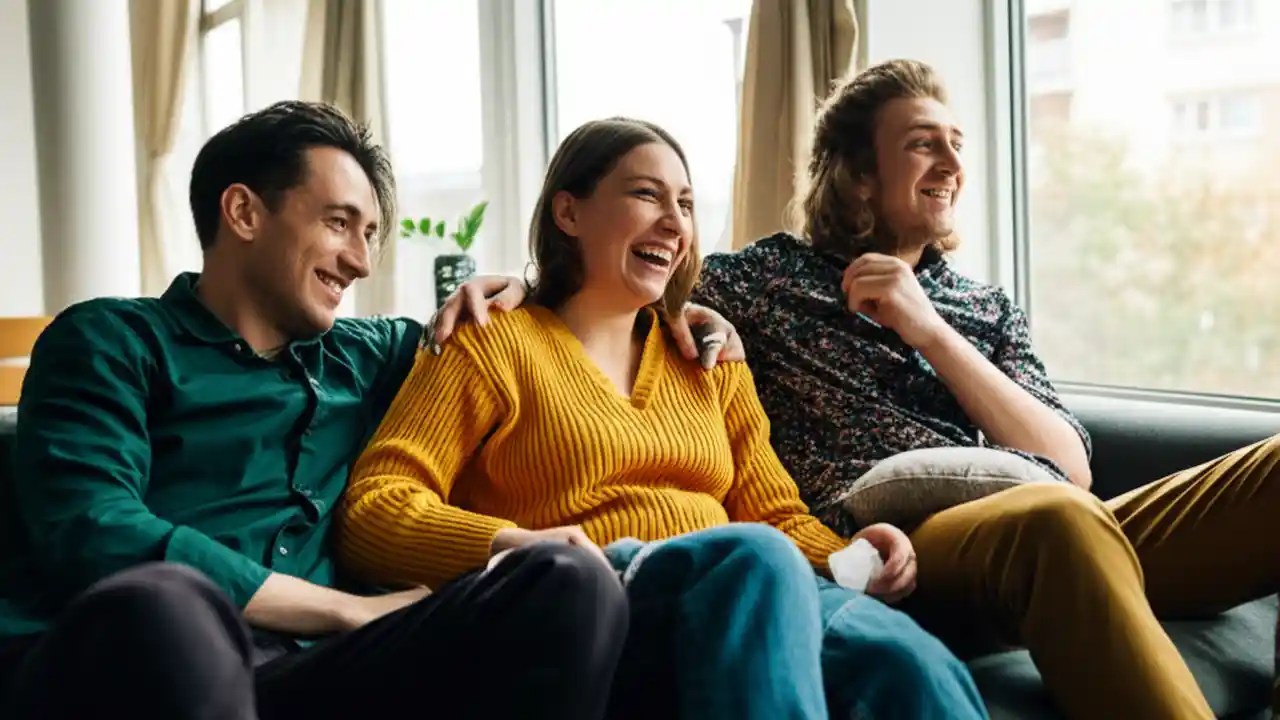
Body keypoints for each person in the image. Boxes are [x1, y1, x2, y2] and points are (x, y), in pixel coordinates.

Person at [438, 60, 1280, 719]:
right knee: (1054, 524)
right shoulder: (763, 284)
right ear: (857, 175)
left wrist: (928, 327)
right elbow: (624, 291)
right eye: (923, 142)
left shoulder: (980, 306)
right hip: (930, 540)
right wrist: (517, 285)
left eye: (957, 141)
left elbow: (1068, 462)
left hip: (1042, 518)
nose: (953, 161)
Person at [0, 99, 706, 720]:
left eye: (370, 234)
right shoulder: (111, 339)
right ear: (244, 211)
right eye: (340, 223)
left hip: (312, 673)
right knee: (170, 604)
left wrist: (669, 315)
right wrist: (345, 610)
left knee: (566, 580)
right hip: (138, 659)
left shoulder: (375, 356)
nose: (361, 262)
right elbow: (92, 529)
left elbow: (524, 347)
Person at [337, 116, 988, 720]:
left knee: (910, 665)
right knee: (752, 559)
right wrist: (513, 545)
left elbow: (775, 516)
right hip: (612, 597)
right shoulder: (490, 340)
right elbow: (375, 508)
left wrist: (853, 553)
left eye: (686, 204)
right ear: (569, 211)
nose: (676, 224)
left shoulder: (709, 357)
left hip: (758, 587)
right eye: (647, 195)